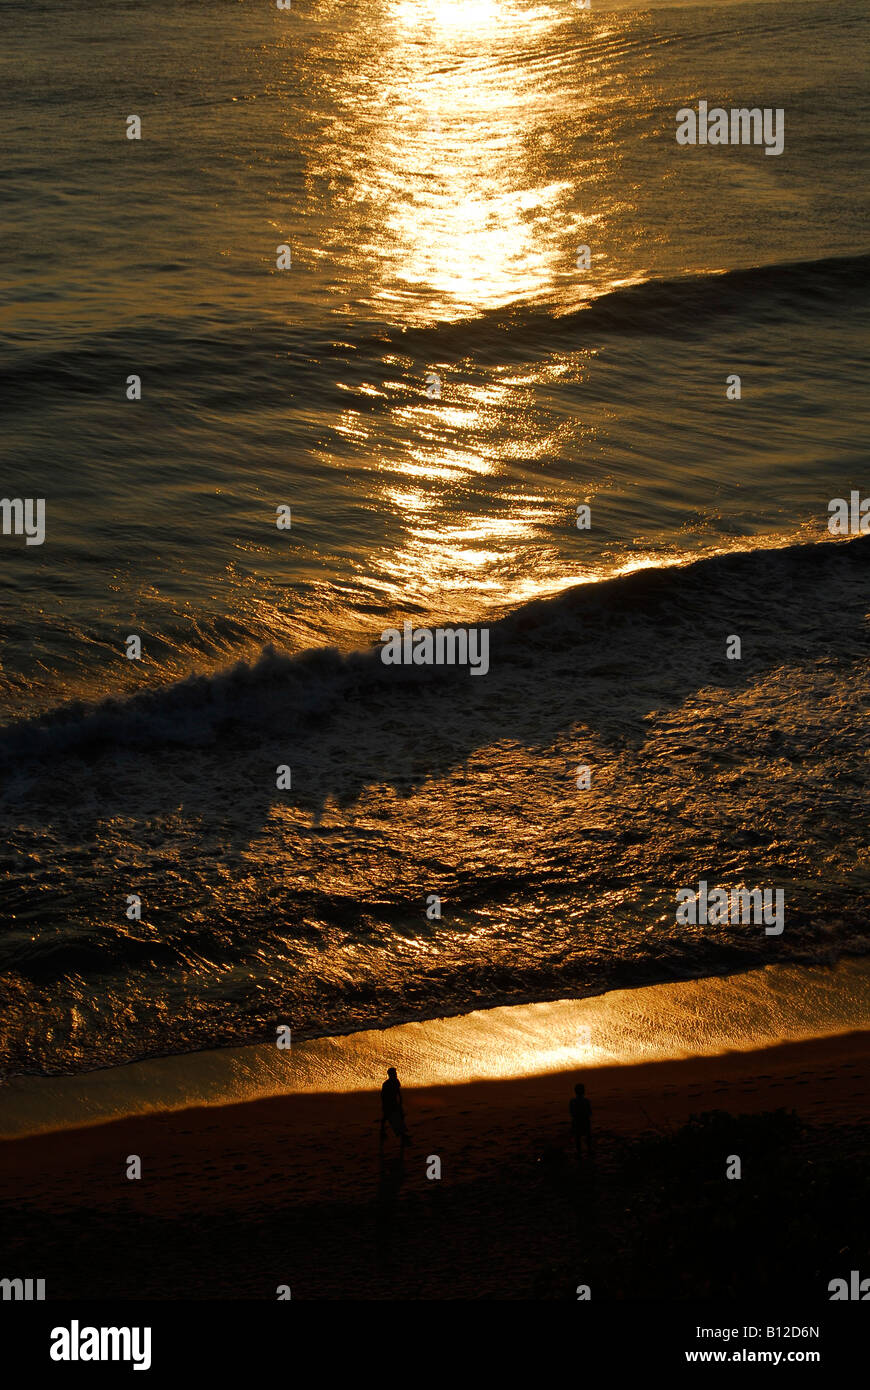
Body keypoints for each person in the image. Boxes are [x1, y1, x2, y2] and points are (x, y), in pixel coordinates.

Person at [380, 1066, 411, 1147]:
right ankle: (400, 1134)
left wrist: (400, 1102)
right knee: (391, 1118)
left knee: (394, 1117)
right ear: (391, 1074)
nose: (396, 1074)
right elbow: (384, 1096)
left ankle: (400, 1134)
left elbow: (398, 1093)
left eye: (396, 1073)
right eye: (395, 1073)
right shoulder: (387, 1084)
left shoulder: (393, 1082)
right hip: (390, 1103)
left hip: (393, 1103)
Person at [570, 1082, 592, 1160]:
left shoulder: (572, 1101)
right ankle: (589, 1152)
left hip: (577, 1121)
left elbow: (572, 1113)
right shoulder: (586, 1101)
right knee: (588, 1138)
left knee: (578, 1138)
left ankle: (579, 1153)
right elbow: (589, 1112)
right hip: (585, 1121)